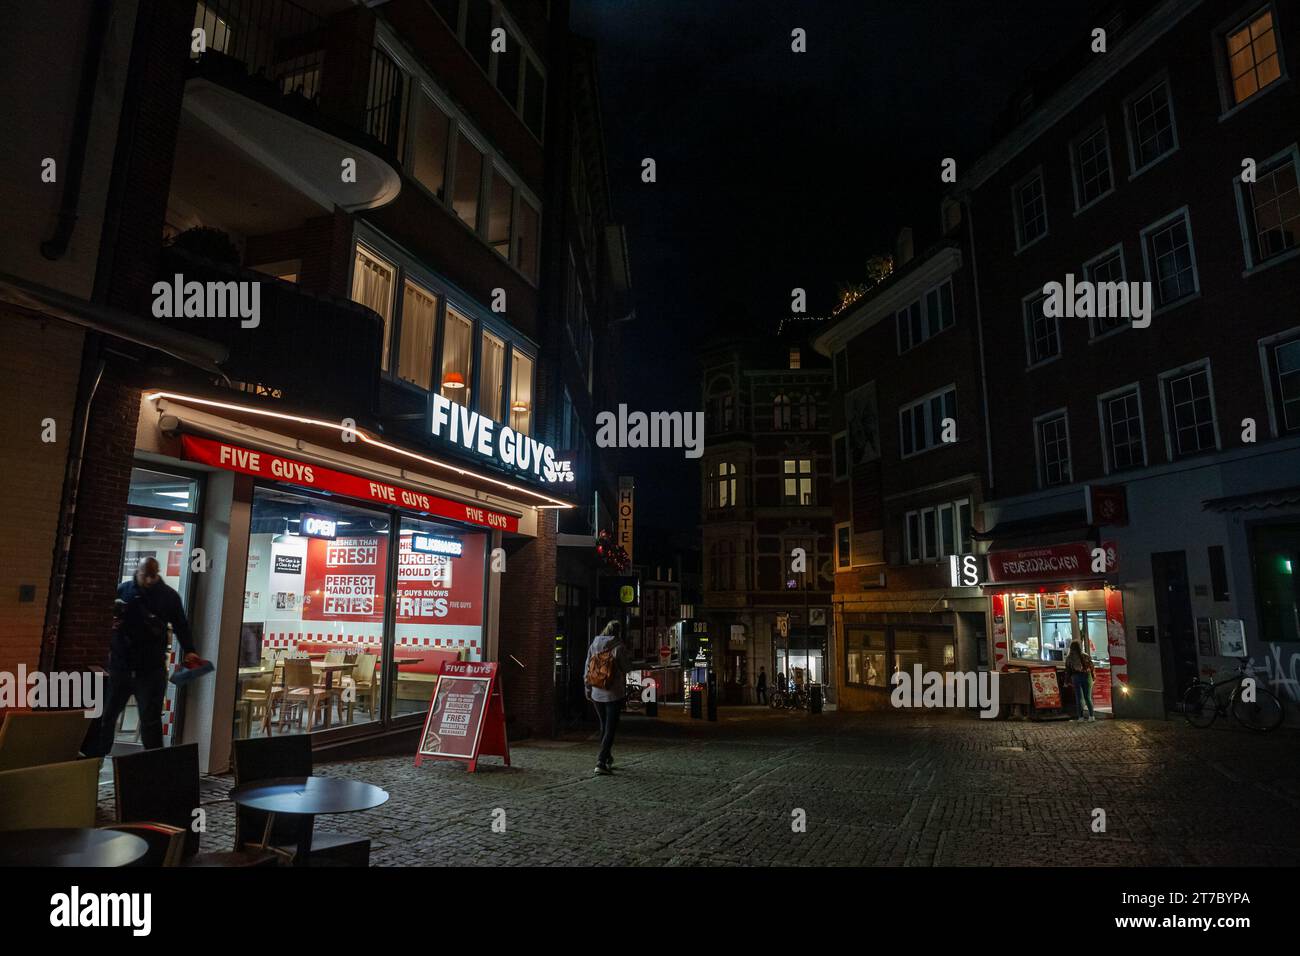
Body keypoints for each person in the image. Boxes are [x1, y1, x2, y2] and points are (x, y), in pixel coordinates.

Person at [101, 557, 200, 752]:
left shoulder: (167, 596)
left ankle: (152, 766)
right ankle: (97, 758)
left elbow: (181, 625)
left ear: (157, 574)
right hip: (122, 666)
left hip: (149, 668)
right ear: (137, 572)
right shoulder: (124, 591)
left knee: (150, 721)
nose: (148, 580)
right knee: (107, 716)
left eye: (152, 576)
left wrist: (189, 650)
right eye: (145, 575)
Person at [584, 620, 630, 775]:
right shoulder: (619, 647)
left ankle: (607, 758)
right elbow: (626, 668)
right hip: (613, 693)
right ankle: (601, 761)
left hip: (596, 692)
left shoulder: (594, 645)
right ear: (619, 632)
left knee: (603, 726)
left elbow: (587, 666)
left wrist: (587, 687)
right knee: (610, 728)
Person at [1064, 639, 1095, 722]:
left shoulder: (1069, 658)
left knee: (1079, 698)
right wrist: (1093, 677)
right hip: (1087, 676)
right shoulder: (1085, 656)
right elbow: (1092, 667)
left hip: (1076, 677)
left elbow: (1068, 671)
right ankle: (1091, 716)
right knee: (1087, 697)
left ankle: (1080, 717)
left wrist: (1066, 682)